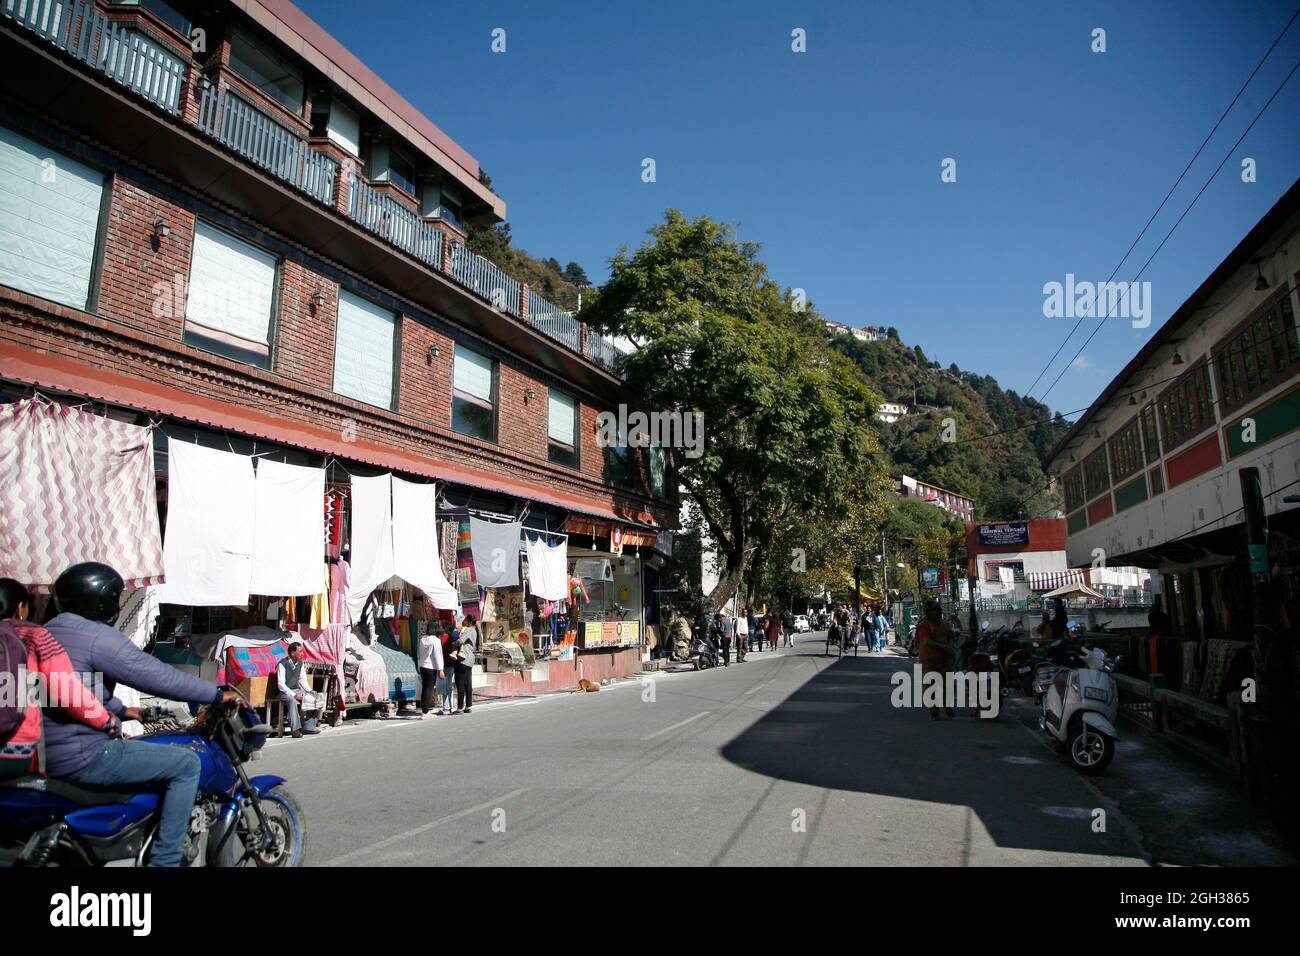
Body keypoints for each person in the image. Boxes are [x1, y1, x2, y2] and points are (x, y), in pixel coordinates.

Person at [42, 562, 239, 867]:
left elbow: (70, 689)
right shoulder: (96, 636)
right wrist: (214, 694)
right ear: (104, 602)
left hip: (42, 751)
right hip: (82, 753)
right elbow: (156, 676)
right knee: (186, 764)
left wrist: (122, 710)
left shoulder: (47, 632)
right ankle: (165, 861)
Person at [1, 578, 120, 780]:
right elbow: (67, 692)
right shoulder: (35, 635)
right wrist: (107, 721)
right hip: (12, 753)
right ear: (21, 607)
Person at [914, 598, 955, 720]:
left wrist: (950, 648)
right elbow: (926, 641)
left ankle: (947, 705)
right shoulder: (924, 625)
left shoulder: (944, 624)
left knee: (947, 685)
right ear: (928, 613)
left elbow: (951, 636)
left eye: (937, 611)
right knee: (930, 687)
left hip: (944, 660)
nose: (936, 613)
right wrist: (944, 647)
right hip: (929, 661)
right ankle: (933, 711)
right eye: (933, 611)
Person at [276, 641, 319, 737]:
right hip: (284, 692)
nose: (301, 654)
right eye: (299, 652)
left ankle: (309, 726)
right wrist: (294, 695)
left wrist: (309, 690)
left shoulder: (300, 663)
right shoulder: (282, 664)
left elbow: (302, 679)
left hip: (296, 690)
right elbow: (281, 685)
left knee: (314, 698)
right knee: (292, 701)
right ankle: (295, 729)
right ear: (292, 653)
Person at [417, 620, 446, 718]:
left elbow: (420, 653)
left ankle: (424, 710)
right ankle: (426, 712)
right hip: (431, 667)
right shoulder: (436, 640)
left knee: (425, 688)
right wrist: (440, 669)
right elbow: (438, 655)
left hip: (422, 666)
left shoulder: (422, 639)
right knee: (429, 689)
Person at [451, 615, 477, 714]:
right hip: (470, 660)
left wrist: (453, 643)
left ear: (469, 622)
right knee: (467, 683)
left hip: (463, 659)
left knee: (460, 683)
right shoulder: (474, 631)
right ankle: (468, 706)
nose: (463, 621)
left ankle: (460, 707)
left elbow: (460, 641)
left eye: (465, 620)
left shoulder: (467, 630)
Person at [437, 620, 457, 715]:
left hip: (444, 666)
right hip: (451, 664)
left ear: (444, 628)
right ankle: (450, 706)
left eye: (441, 626)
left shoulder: (440, 639)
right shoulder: (451, 637)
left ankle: (446, 707)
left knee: (444, 687)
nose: (439, 628)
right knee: (449, 687)